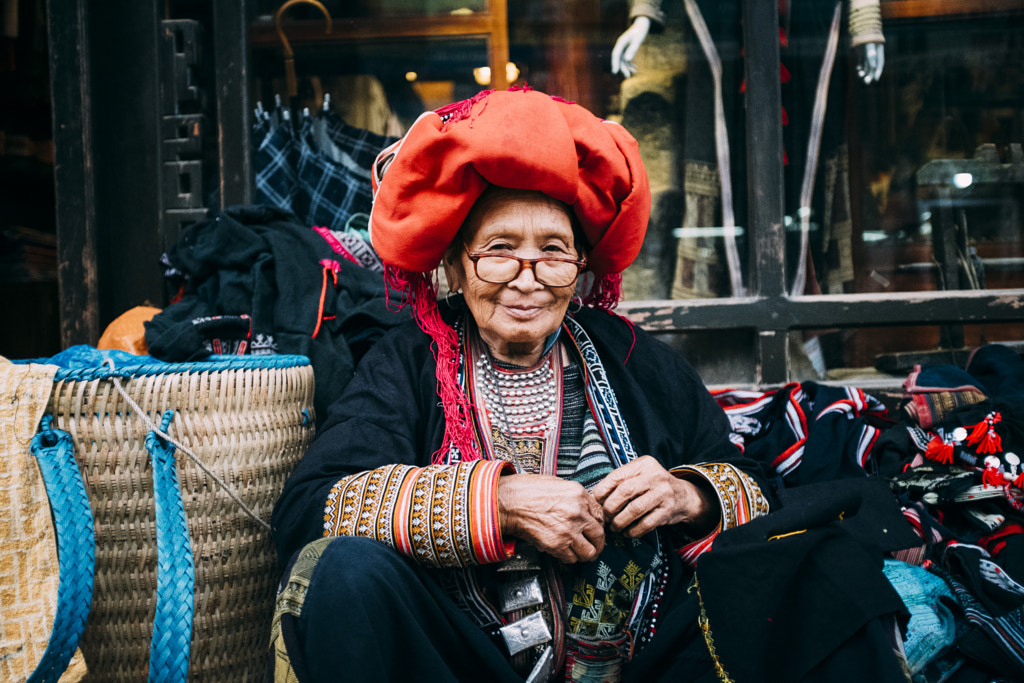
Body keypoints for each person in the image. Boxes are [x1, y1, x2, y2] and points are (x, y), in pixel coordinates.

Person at [269, 87, 773, 683]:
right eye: (500, 251)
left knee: (815, 564)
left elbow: (753, 486)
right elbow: (309, 512)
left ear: (580, 268)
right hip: (461, 663)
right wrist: (494, 505)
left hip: (645, 663)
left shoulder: (634, 358)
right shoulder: (405, 362)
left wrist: (688, 495)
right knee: (343, 571)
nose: (527, 280)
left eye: (553, 252)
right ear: (456, 266)